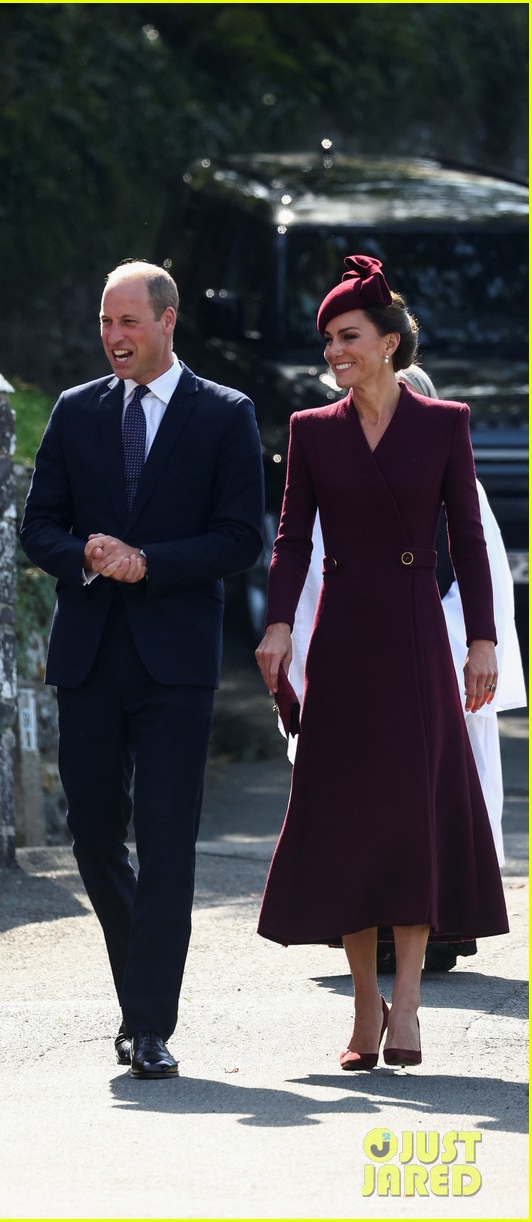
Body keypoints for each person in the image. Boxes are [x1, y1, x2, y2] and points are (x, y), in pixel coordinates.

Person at [254, 255, 509, 1070]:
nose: (334, 352)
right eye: (328, 339)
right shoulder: (310, 430)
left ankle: (409, 1005)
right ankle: (365, 1005)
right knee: (349, 821)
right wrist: (278, 626)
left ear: (389, 342)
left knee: (410, 817)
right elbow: (291, 540)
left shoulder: (444, 424)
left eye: (349, 337)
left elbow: (466, 538)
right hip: (343, 640)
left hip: (414, 635)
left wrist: (480, 639)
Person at [21, 260, 265, 1079]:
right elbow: (38, 526)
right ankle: (141, 996)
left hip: (175, 664)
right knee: (94, 837)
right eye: (104, 320)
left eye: (128, 320)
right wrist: (86, 555)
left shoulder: (224, 413)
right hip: (88, 656)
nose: (113, 335)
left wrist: (148, 563)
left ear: (167, 322)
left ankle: (151, 1023)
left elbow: (241, 538)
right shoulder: (76, 409)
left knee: (165, 844)